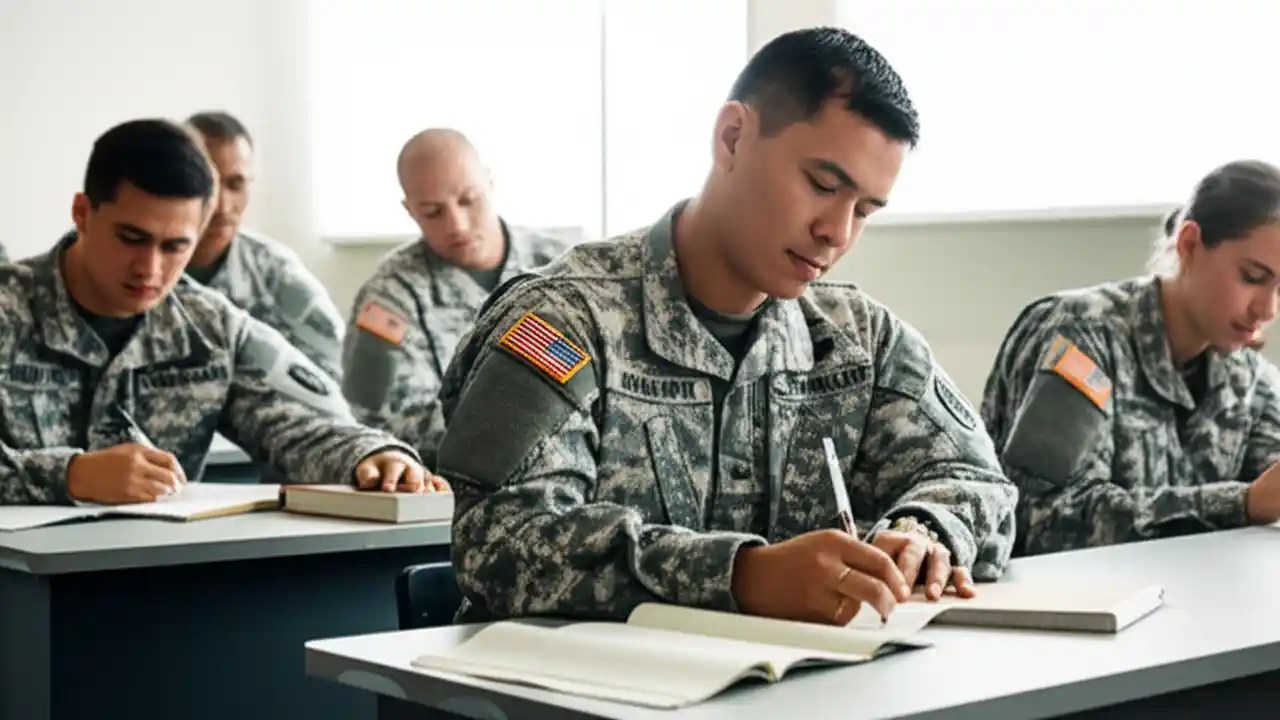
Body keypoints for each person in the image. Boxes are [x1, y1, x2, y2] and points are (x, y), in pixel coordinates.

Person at [433, 28, 1017, 626]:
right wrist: (741, 576)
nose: (838, 232)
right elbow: (499, 543)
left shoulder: (859, 341)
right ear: (732, 137)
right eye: (822, 185)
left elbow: (978, 481)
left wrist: (922, 532)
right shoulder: (562, 322)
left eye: (864, 210)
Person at [0, 119, 443, 506]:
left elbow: (300, 424)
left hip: (152, 581)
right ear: (82, 213)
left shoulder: (209, 328)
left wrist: (373, 456)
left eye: (175, 246)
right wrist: (71, 476)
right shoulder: (10, 309)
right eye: (131, 238)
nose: (150, 269)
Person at [981, 159, 1280, 556]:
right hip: (1063, 607)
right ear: (1189, 244)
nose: (1267, 310)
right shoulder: (1081, 336)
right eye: (1253, 277)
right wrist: (1241, 504)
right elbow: (1041, 520)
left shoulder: (1252, 380)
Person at [342, 128, 582, 463]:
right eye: (433, 212)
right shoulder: (390, 295)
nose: (457, 224)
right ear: (410, 210)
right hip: (455, 488)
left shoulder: (564, 269)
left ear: (490, 183)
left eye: (469, 200)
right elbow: (381, 421)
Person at [182, 111, 346, 382]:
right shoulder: (141, 269)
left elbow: (337, 379)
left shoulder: (275, 274)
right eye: (206, 184)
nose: (222, 207)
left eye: (236, 184)